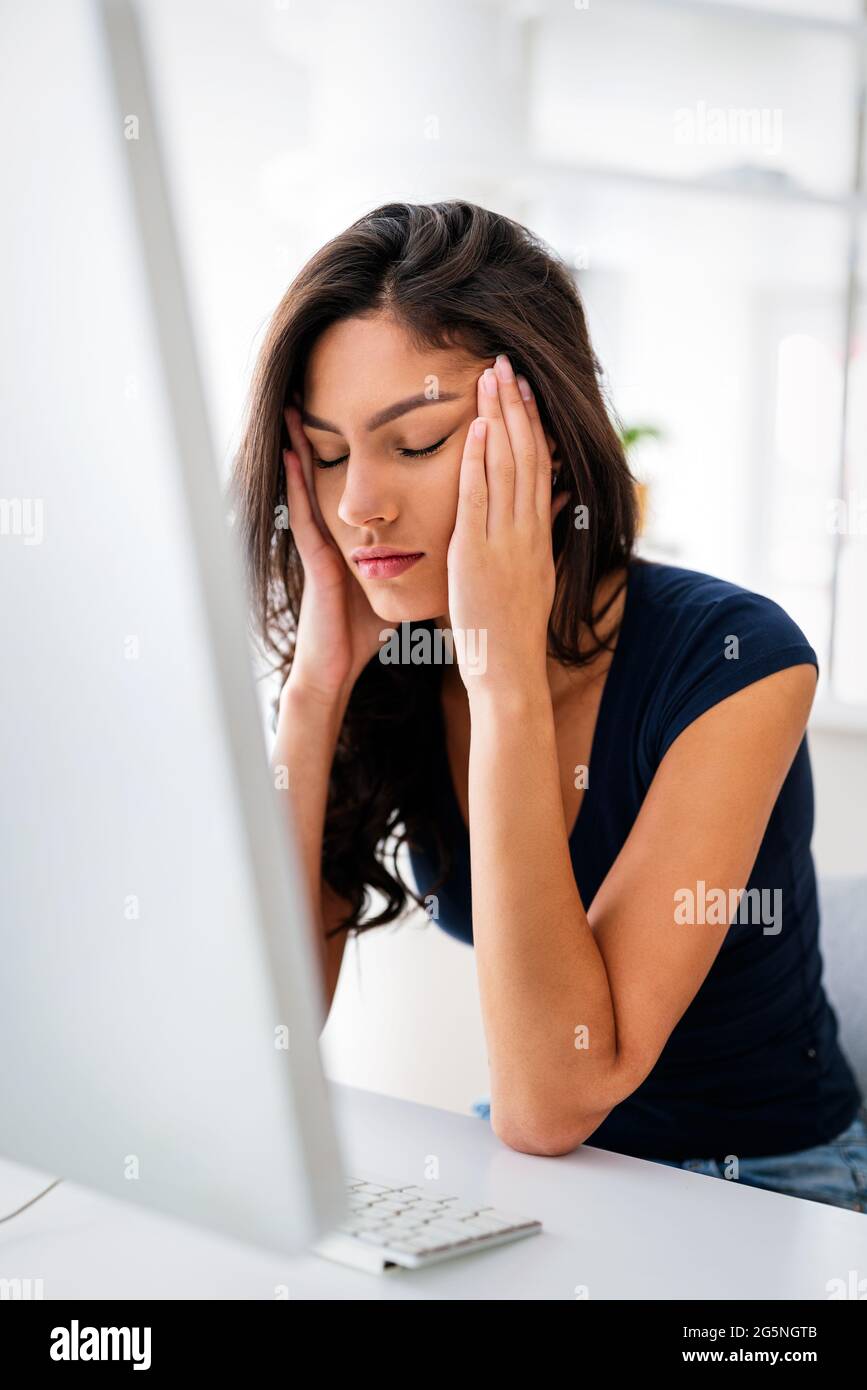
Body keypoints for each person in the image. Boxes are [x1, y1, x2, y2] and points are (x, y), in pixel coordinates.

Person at [231, 199, 865, 1214]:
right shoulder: (390, 659)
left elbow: (551, 1097)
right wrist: (312, 692)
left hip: (774, 1195)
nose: (359, 508)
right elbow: (248, 1047)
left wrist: (503, 675)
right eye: (332, 453)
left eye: (419, 441)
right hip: (550, 1182)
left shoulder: (740, 662)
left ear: (551, 446)